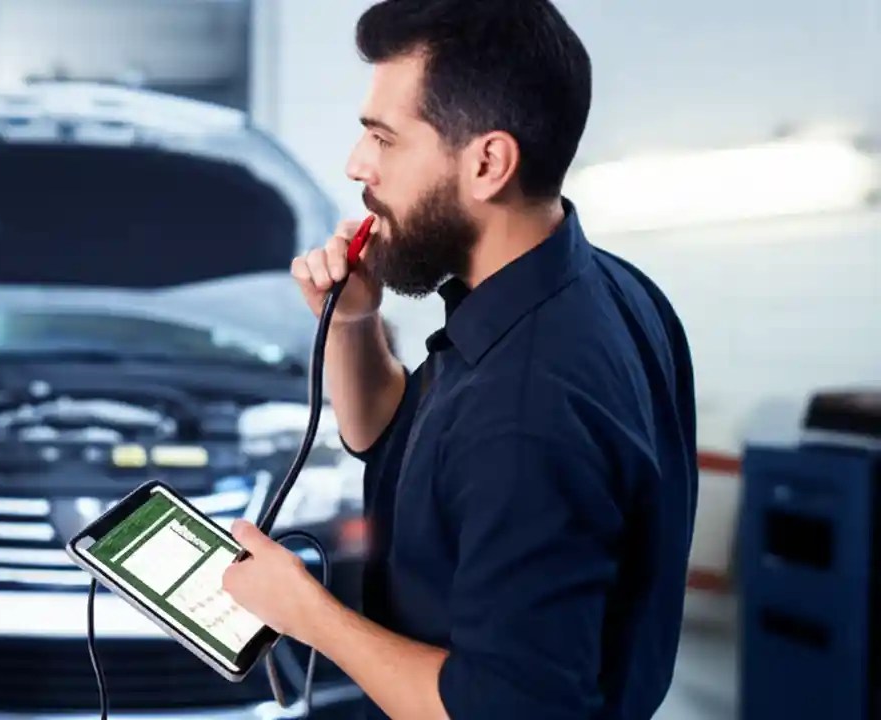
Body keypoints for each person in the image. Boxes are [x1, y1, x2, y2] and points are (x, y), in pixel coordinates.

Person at [221, 1, 699, 719]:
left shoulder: (528, 407)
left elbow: (504, 708)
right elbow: (387, 434)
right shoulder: (607, 289)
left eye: (383, 139)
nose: (358, 166)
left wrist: (308, 615)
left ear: (487, 163)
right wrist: (354, 320)